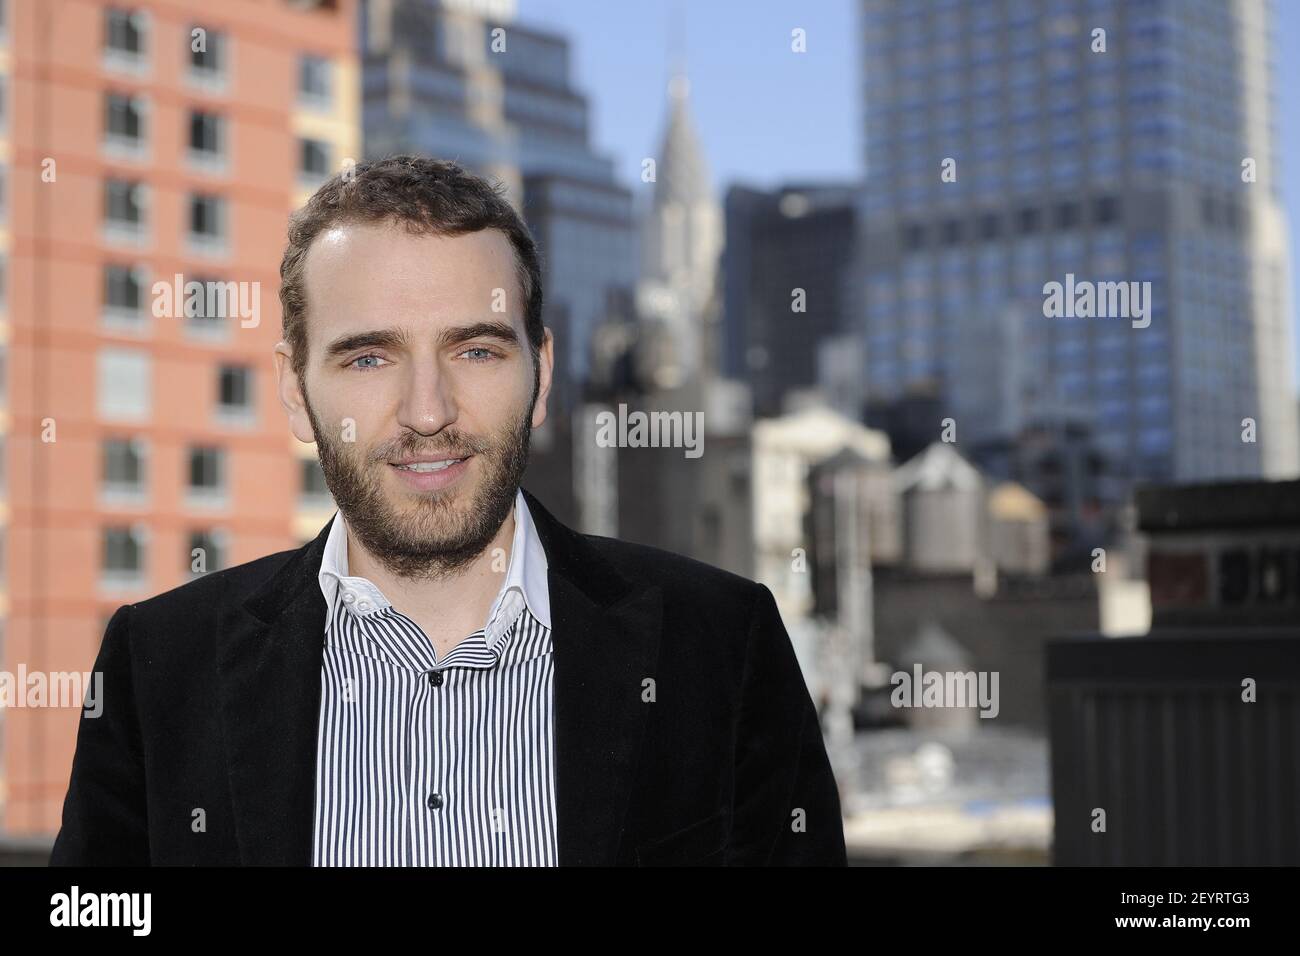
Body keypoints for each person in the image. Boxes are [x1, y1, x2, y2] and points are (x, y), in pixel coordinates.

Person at [49, 156, 847, 866]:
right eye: (369, 356)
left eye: (475, 350)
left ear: (540, 372)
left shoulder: (722, 647)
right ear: (295, 391)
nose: (427, 411)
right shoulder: (158, 670)